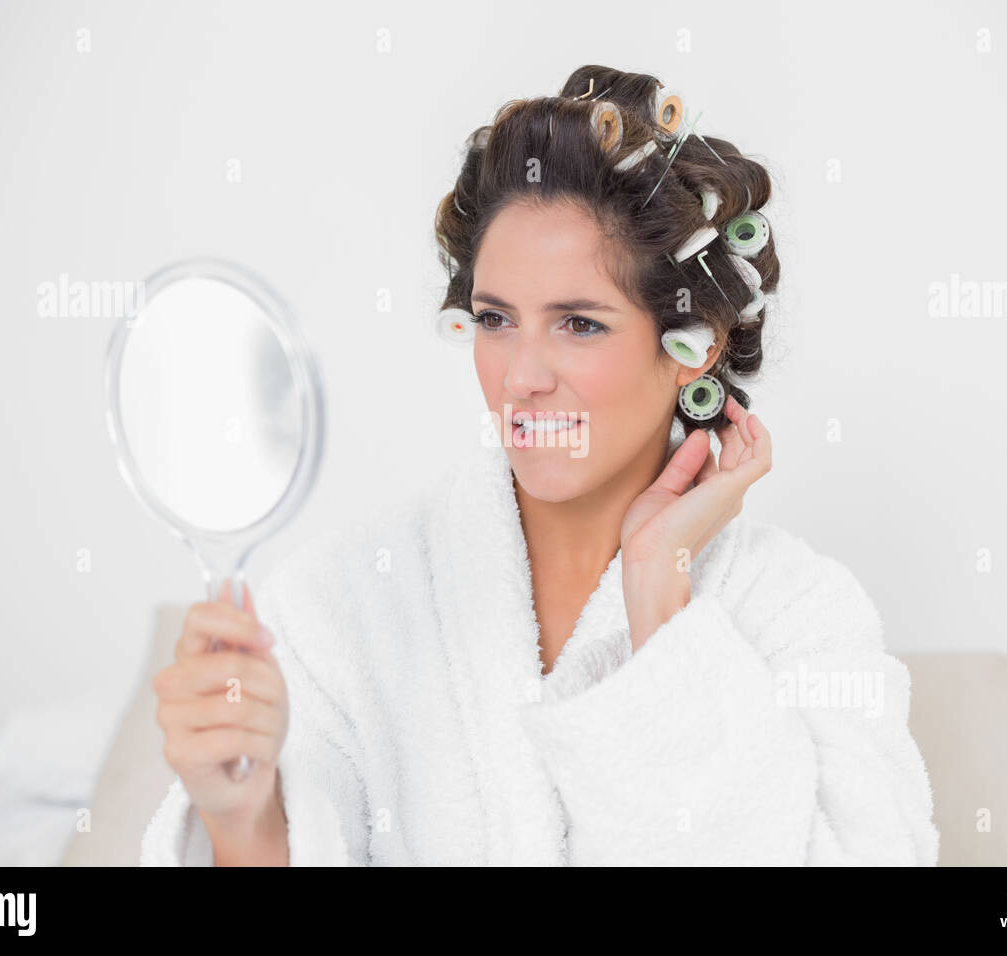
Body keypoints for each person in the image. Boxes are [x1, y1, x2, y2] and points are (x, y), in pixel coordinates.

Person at [140, 64, 939, 866]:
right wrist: (242, 822)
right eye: (495, 320)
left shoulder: (800, 617)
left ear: (694, 349)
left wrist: (660, 597)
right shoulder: (340, 609)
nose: (520, 376)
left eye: (579, 325)